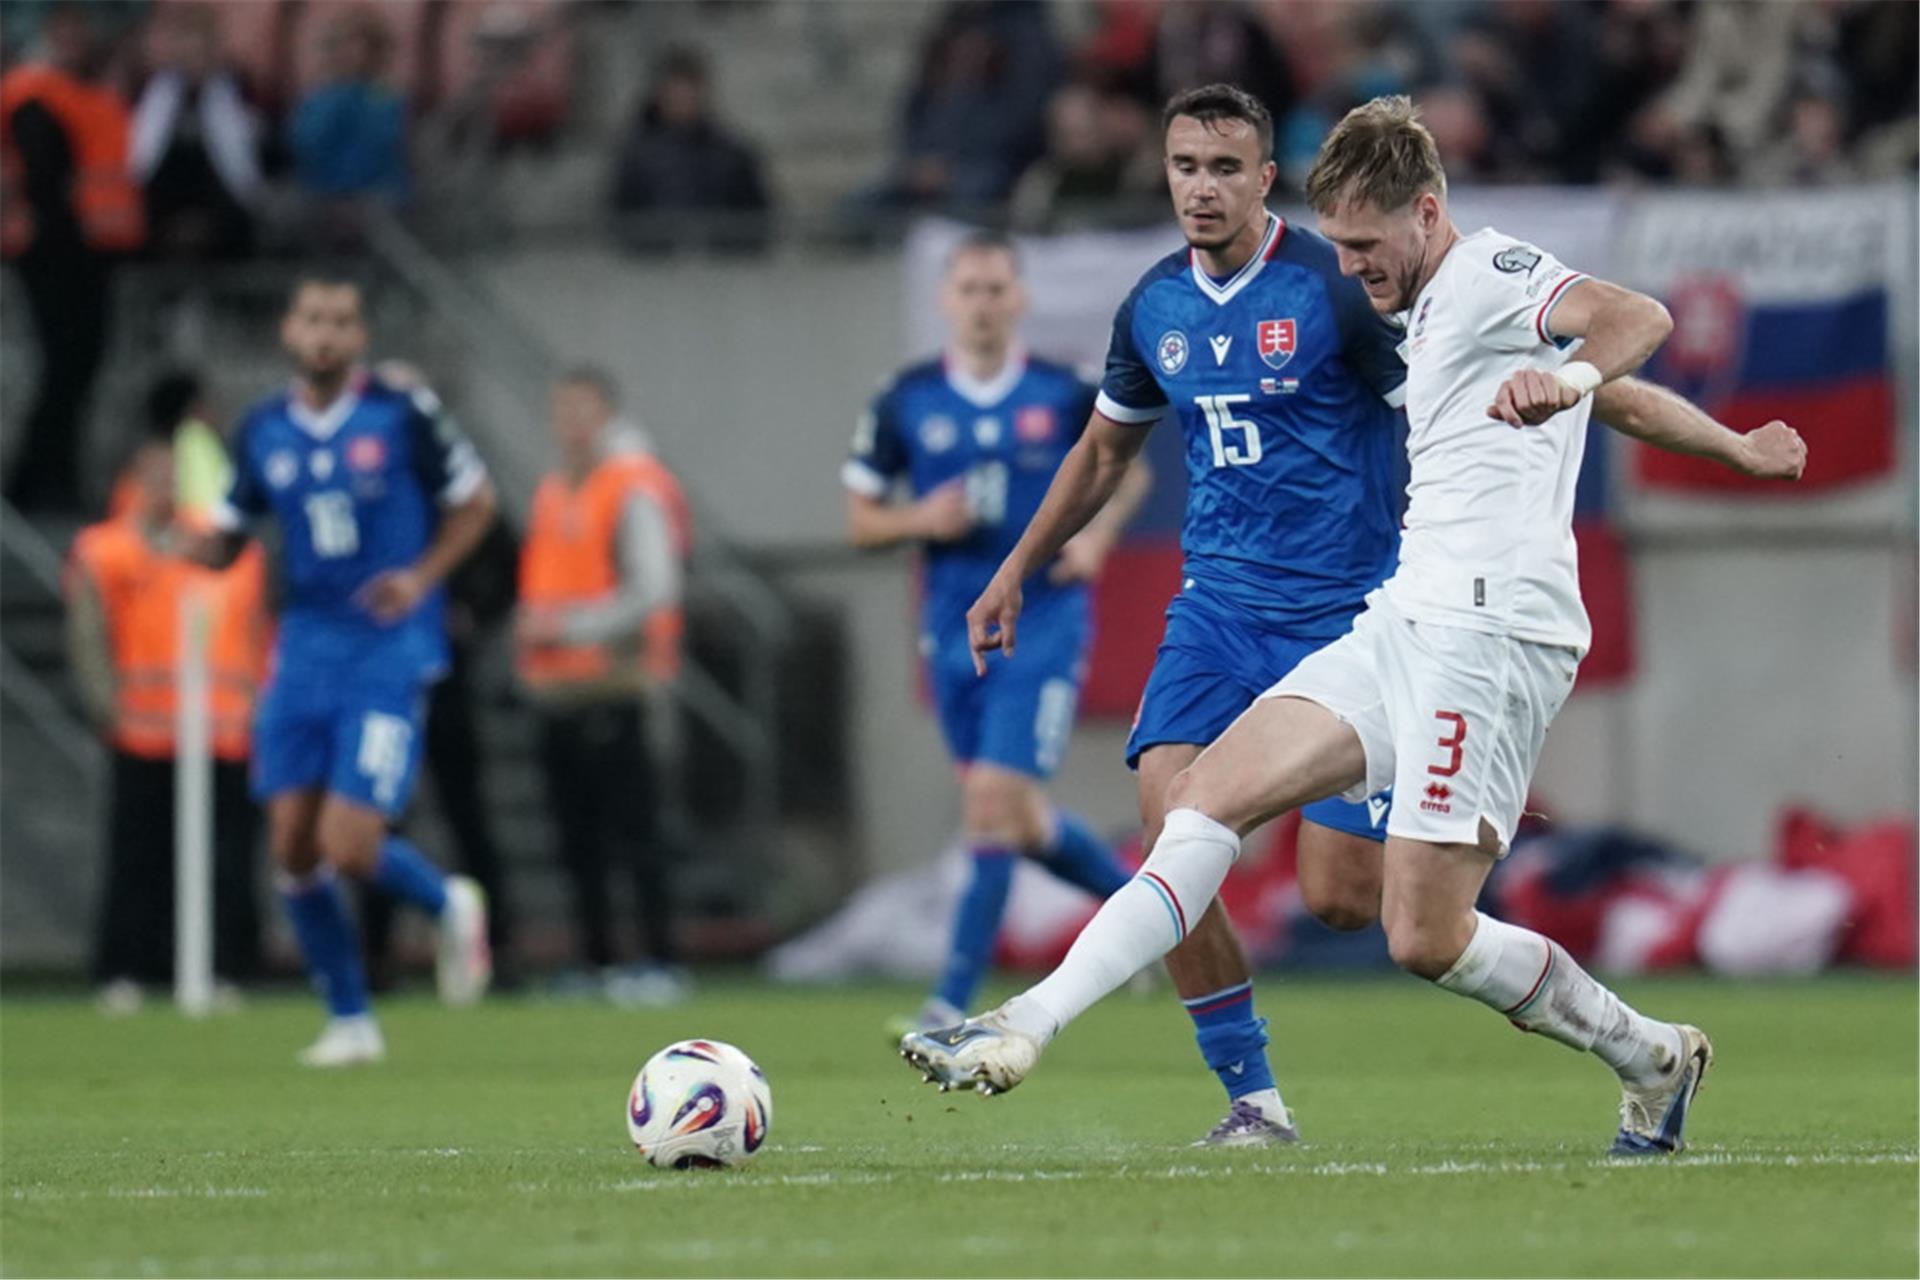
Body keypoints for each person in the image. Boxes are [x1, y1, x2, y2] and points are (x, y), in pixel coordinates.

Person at [902, 94, 1808, 1157]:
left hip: (1496, 633)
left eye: (1368, 245)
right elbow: (1626, 400)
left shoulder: (1489, 273)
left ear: (1427, 213)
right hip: (1405, 615)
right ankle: (1028, 1021)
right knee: (1199, 801)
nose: (1352, 266)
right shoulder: (1408, 308)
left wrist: (1567, 376)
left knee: (1421, 934)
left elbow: (1634, 323)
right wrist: (1732, 445)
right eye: (1338, 244)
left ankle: (1650, 1054)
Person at [845, 232, 1149, 1041]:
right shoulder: (906, 397)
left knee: (989, 804)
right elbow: (861, 516)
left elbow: (1132, 469)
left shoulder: (1062, 389)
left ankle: (949, 1002)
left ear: (1019, 300)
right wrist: (919, 518)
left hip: (1043, 618)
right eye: (968, 289)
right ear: (947, 301)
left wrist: (1097, 534)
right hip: (950, 626)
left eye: (995, 289)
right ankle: (1150, 917)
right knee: (1016, 817)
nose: (982, 304)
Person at [187, 271, 496, 1066]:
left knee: (350, 843)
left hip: (388, 649)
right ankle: (351, 1020)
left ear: (360, 339)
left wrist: (423, 579)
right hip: (303, 651)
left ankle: (447, 899)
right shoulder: (262, 429)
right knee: (291, 844)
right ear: (290, 331)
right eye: (312, 319)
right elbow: (228, 532)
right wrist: (190, 545)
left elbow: (477, 502)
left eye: (341, 322)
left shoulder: (401, 414)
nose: (325, 334)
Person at [67, 418, 269, 1012]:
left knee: (225, 862)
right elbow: (89, 635)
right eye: (153, 475)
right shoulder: (107, 549)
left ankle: (225, 967)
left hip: (222, 730)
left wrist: (256, 704)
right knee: (137, 858)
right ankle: (125, 970)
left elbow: (255, 631)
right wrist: (108, 706)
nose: (164, 486)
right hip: (143, 731)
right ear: (133, 479)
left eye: (172, 475)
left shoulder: (222, 548)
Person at [516, 367, 691, 1007]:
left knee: (635, 832)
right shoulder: (553, 490)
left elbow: (655, 587)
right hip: (557, 689)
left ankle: (658, 959)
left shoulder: (631, 485)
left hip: (616, 684)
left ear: (607, 415)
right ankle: (594, 960)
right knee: (575, 839)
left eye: (584, 410)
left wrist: (568, 626)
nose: (571, 424)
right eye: (562, 410)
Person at [0, 3, 144, 513]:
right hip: (52, 253)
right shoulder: (35, 92)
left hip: (92, 255)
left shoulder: (95, 93)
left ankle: (53, 480)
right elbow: (44, 177)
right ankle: (32, 484)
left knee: (79, 370)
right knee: (64, 367)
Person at [129, 1, 264, 260]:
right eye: (184, 43)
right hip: (166, 208)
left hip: (225, 208)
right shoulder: (155, 94)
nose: (191, 52)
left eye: (199, 43)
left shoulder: (238, 89)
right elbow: (142, 162)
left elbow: (246, 161)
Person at [609, 47, 771, 255]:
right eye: (674, 92)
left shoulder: (733, 155)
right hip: (654, 272)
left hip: (722, 270)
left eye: (687, 92)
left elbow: (757, 219)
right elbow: (621, 218)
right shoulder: (636, 158)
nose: (681, 101)